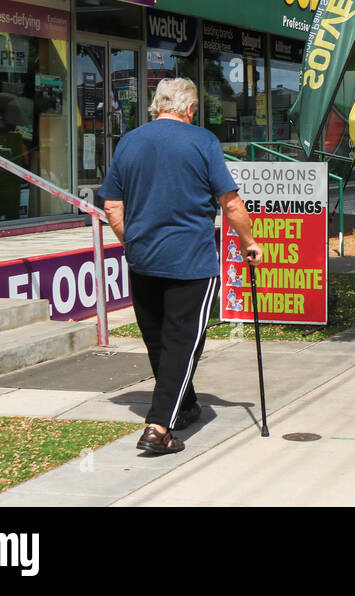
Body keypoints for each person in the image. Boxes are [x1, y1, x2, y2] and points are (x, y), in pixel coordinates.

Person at [101, 77, 262, 454]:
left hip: (143, 261)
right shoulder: (203, 141)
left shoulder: (130, 141)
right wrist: (249, 242)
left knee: (159, 340)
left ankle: (185, 404)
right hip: (190, 262)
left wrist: (133, 241)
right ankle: (158, 426)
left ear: (158, 106)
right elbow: (232, 203)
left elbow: (111, 206)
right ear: (190, 110)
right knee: (182, 343)